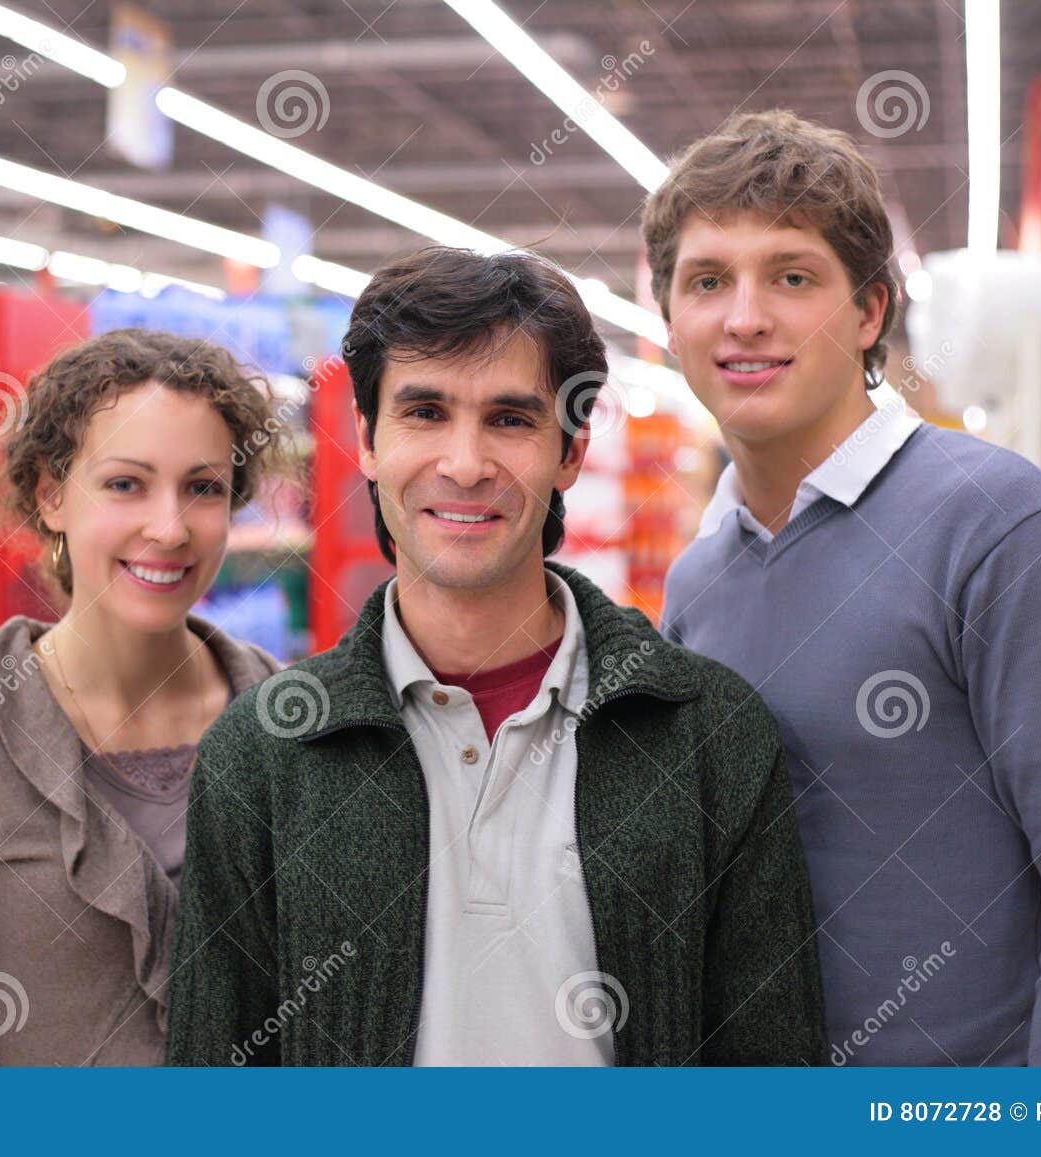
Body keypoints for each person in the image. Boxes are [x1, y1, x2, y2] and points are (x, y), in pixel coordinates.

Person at [166, 246, 825, 1067]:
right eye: (426, 412)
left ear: (571, 453)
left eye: (510, 419)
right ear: (368, 441)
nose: (466, 464)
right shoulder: (262, 755)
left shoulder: (709, 737)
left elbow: (774, 1081)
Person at [649, 110, 1041, 1065]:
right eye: (707, 281)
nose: (744, 316)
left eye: (792, 276)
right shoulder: (700, 578)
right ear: (669, 319)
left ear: (869, 312)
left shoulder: (1000, 526)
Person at [0, 328, 289, 1064]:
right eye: (125, 483)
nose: (168, 527)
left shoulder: (290, 723)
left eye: (203, 487)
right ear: (50, 495)